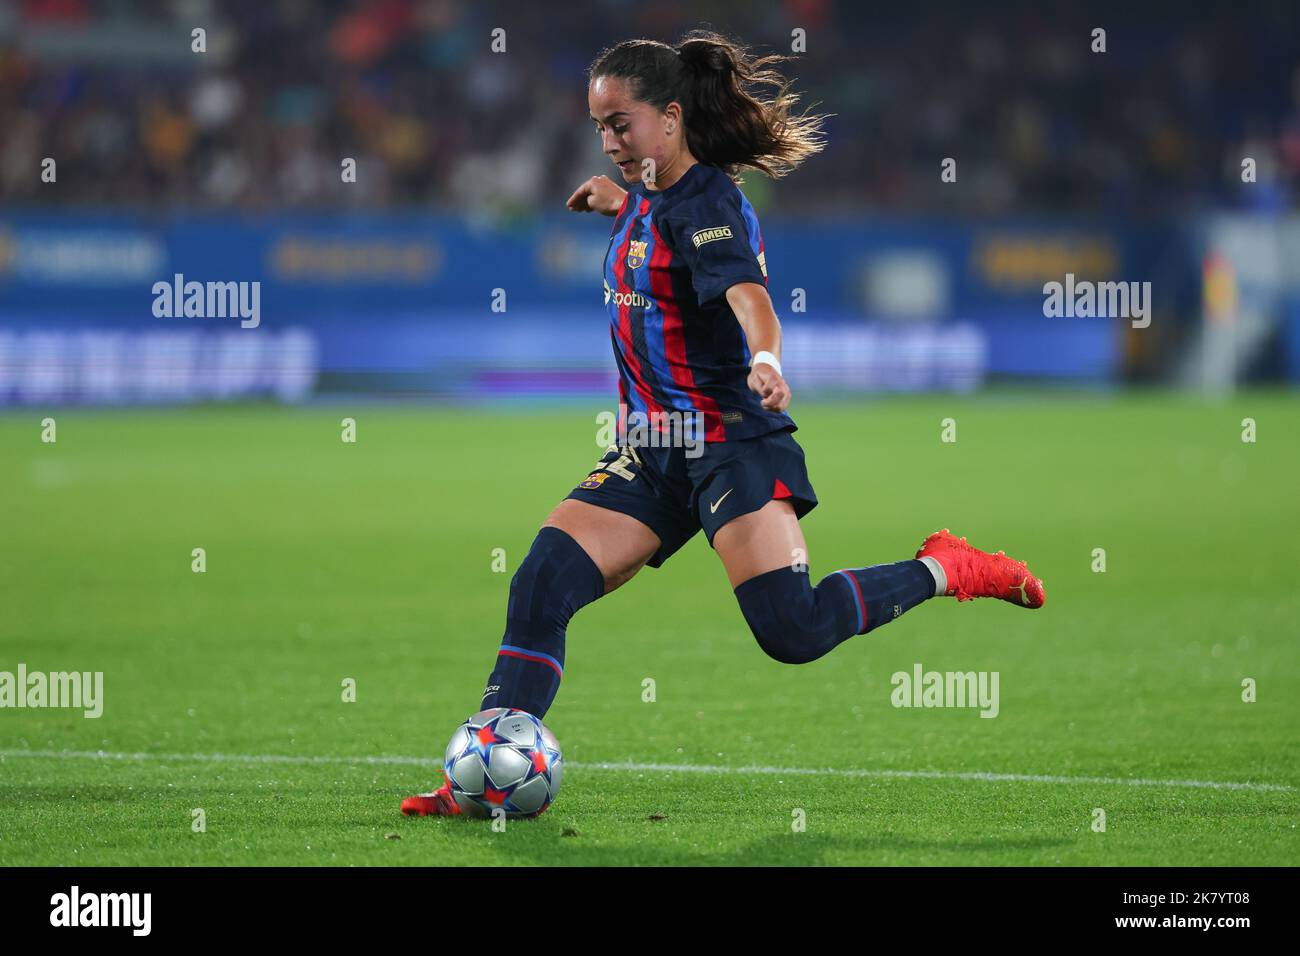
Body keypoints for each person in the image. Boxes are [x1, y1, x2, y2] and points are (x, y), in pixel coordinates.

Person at [403, 31, 1044, 817]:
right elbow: (649, 217)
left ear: (670, 118)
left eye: (622, 124)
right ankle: (482, 771)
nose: (608, 141)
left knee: (793, 630)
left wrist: (767, 358)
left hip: (726, 444)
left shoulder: (708, 204)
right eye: (600, 126)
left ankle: (947, 567)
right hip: (651, 449)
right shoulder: (646, 190)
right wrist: (618, 200)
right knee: (541, 581)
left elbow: (748, 298)